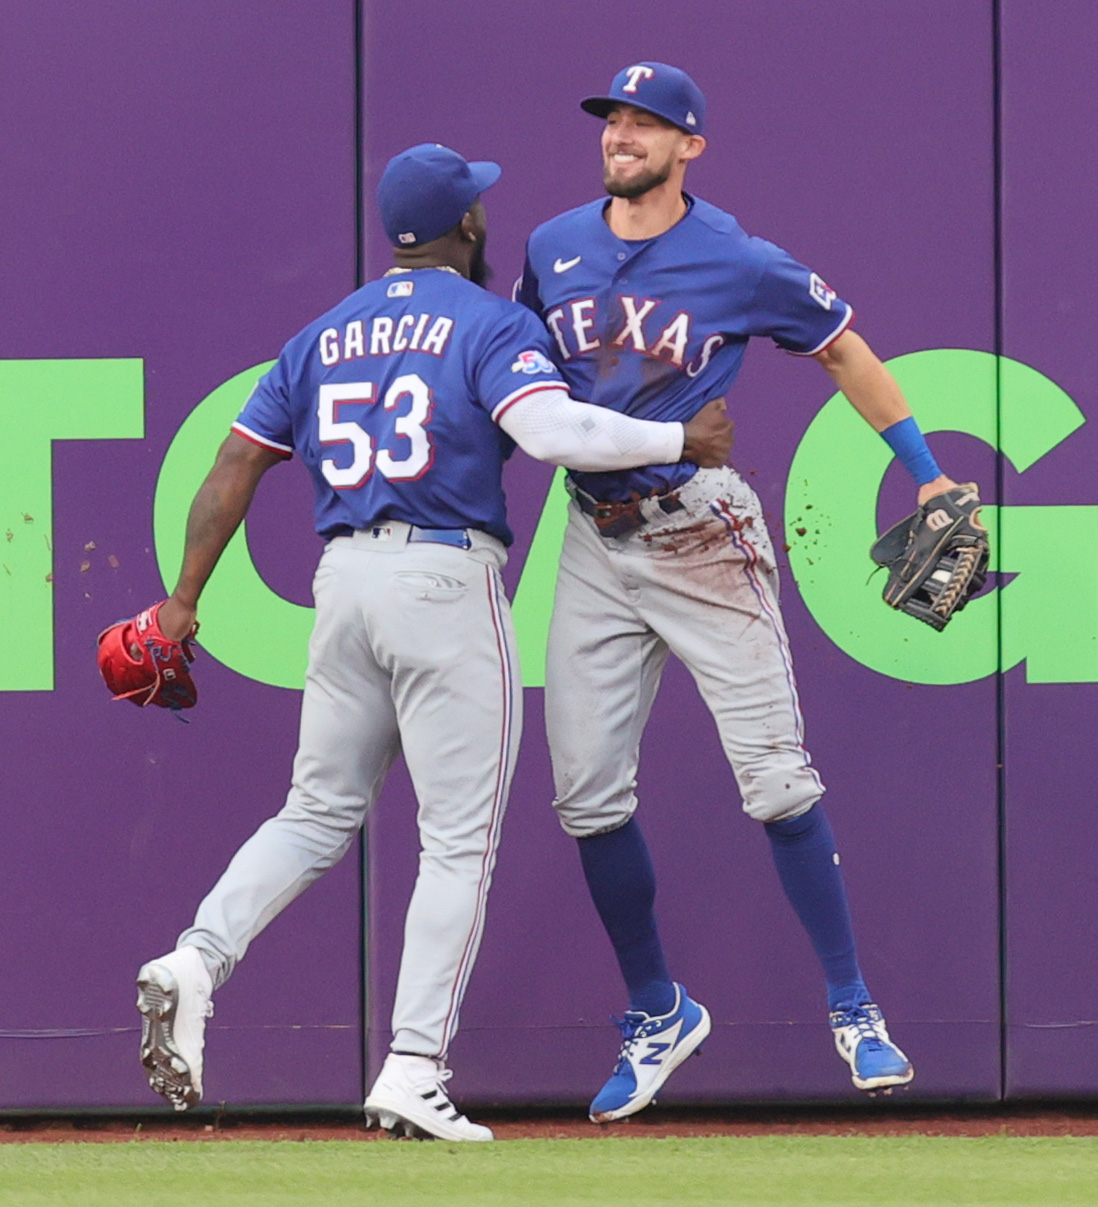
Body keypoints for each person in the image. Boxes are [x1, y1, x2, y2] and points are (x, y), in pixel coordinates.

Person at [132, 142, 732, 1142]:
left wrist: (182, 600)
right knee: (456, 840)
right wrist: (682, 441)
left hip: (342, 583)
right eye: (480, 207)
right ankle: (413, 1066)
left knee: (317, 811)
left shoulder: (325, 332)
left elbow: (238, 457)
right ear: (467, 226)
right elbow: (554, 436)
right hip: (443, 577)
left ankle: (197, 957)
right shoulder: (491, 322)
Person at [516, 62, 967, 1122]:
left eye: (646, 122)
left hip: (700, 531)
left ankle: (854, 1009)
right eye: (613, 119)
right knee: (586, 800)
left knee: (776, 780)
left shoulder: (737, 256)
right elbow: (524, 374)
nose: (622, 134)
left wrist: (928, 470)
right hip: (588, 532)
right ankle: (656, 1010)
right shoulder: (552, 244)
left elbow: (842, 344)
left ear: (691, 146)